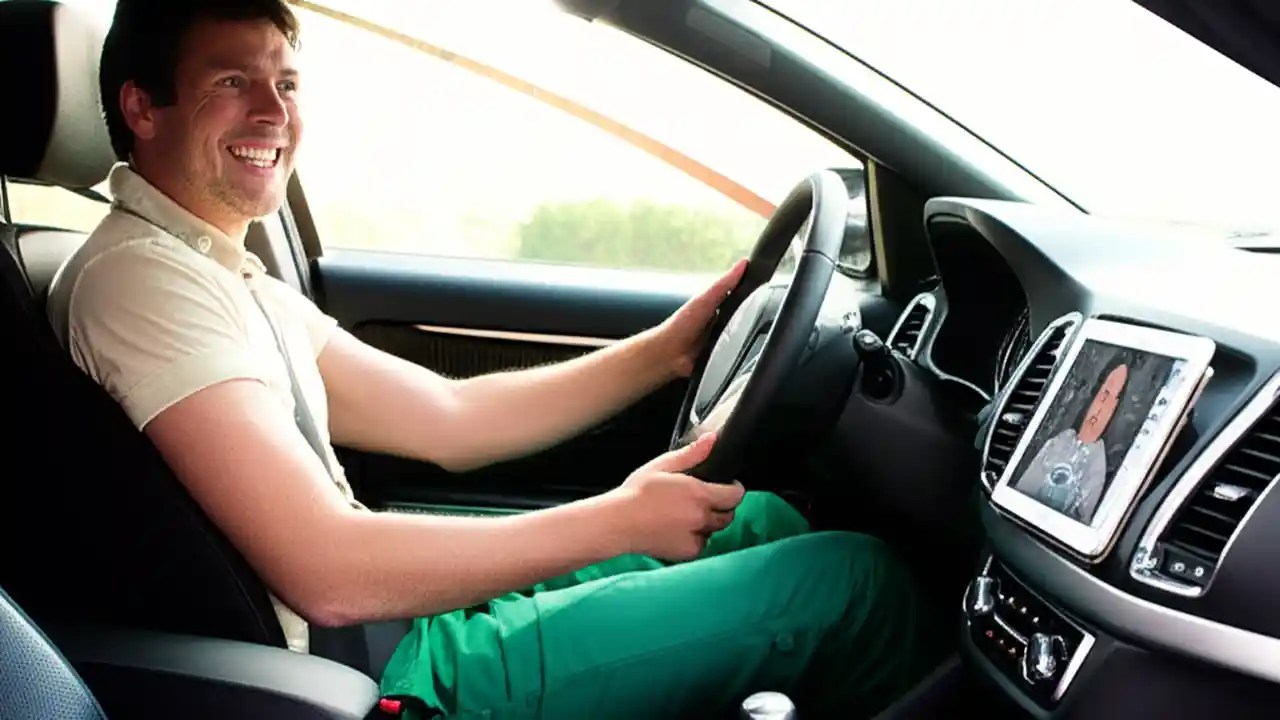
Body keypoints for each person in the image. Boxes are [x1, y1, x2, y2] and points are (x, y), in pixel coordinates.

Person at [47, 1, 931, 717]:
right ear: (143, 108)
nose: (274, 113)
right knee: (856, 588)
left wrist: (665, 352)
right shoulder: (139, 282)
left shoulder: (218, 271)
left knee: (758, 520)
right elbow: (329, 570)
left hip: (398, 622)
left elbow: (449, 418)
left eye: (285, 82)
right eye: (232, 82)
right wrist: (618, 521)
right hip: (379, 676)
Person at [1014, 360, 1129, 522]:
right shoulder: (1058, 442)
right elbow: (1023, 490)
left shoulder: (1097, 463)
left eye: (1112, 397)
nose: (1102, 403)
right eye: (1103, 393)